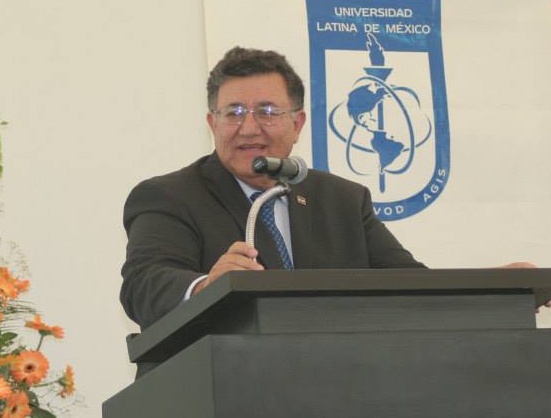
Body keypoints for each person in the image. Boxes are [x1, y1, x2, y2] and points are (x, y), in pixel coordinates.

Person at [120, 47, 424, 330]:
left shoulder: (343, 200)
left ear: (298, 124)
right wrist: (206, 287)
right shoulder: (170, 196)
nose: (249, 128)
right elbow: (144, 284)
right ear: (213, 124)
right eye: (234, 113)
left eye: (266, 112)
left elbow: (413, 286)